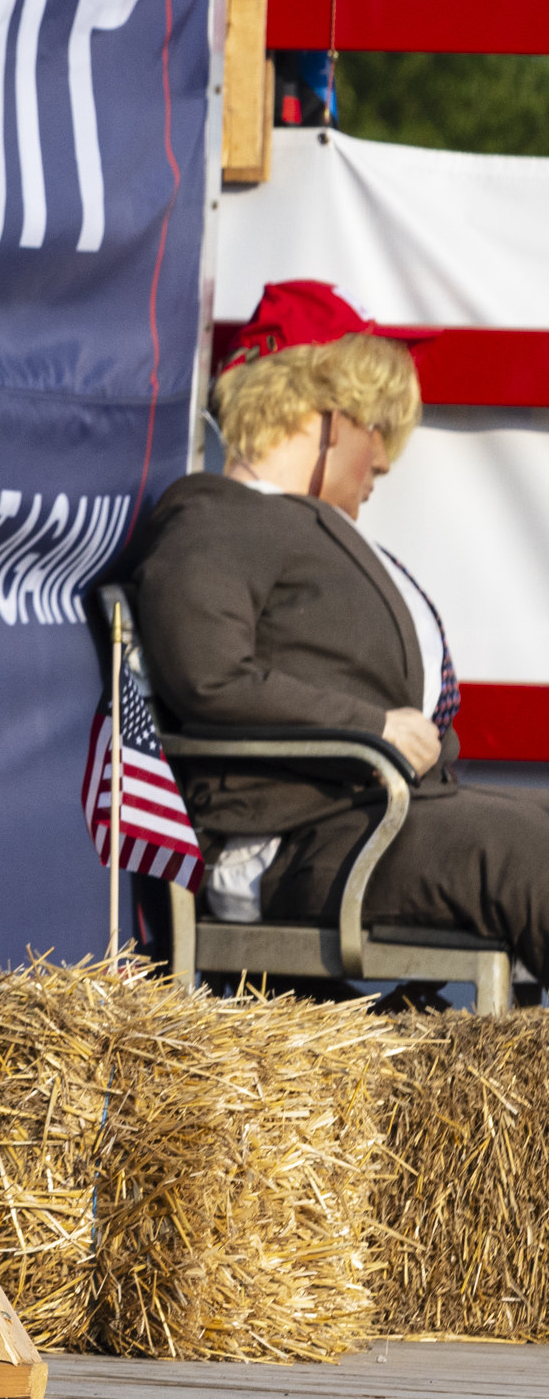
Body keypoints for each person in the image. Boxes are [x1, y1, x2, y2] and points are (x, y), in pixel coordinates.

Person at [130, 278, 549, 989]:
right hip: (297, 839)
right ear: (321, 412)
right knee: (526, 853)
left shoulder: (300, 526)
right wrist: (374, 725)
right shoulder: (213, 518)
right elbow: (209, 676)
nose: (384, 459)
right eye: (375, 426)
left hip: (376, 818)